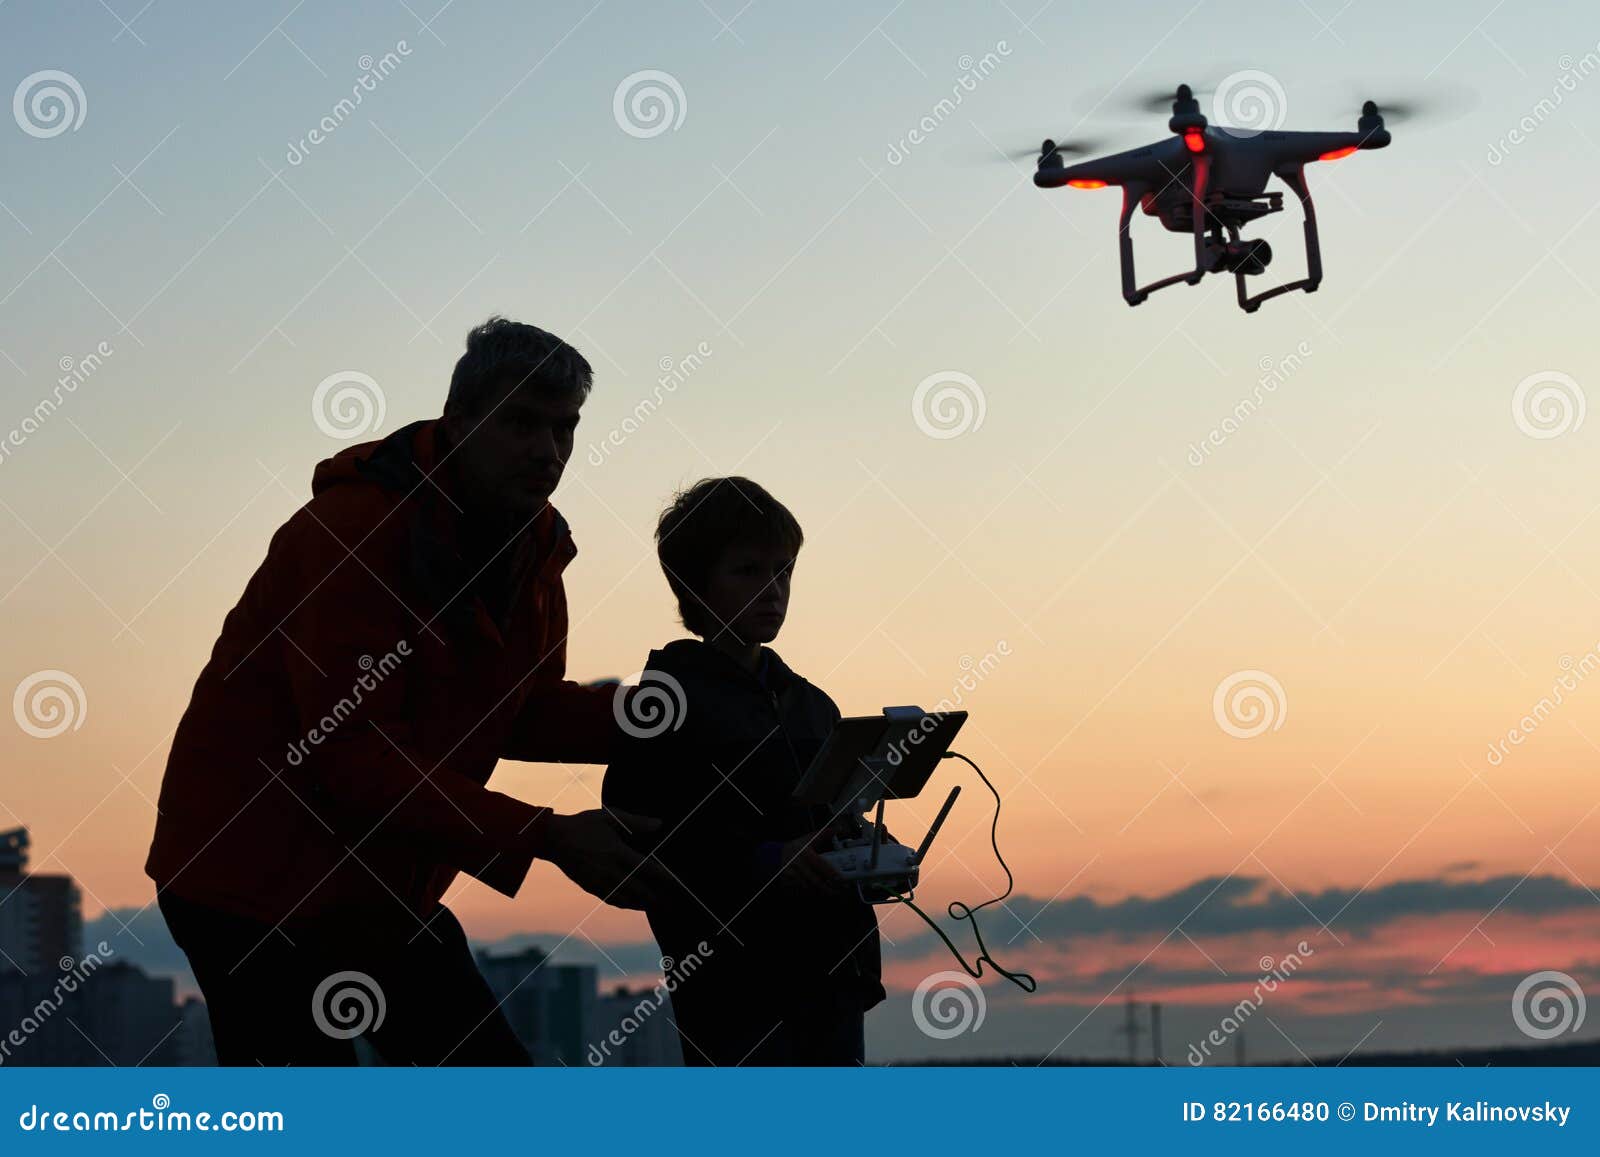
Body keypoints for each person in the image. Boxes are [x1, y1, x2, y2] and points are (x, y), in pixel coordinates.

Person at [144, 316, 667, 1065]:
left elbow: (518, 711)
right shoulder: (353, 532)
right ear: (460, 420)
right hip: (249, 888)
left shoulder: (536, 546)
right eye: (521, 422)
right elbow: (348, 759)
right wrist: (546, 835)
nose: (547, 451)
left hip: (381, 890)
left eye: (564, 428)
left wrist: (665, 716)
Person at [602, 477, 884, 1065]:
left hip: (831, 970)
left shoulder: (812, 704)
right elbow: (637, 844)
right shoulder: (659, 702)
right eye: (748, 571)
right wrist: (768, 862)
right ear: (694, 586)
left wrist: (865, 854)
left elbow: (830, 821)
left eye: (783, 572)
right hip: (730, 983)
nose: (772, 590)